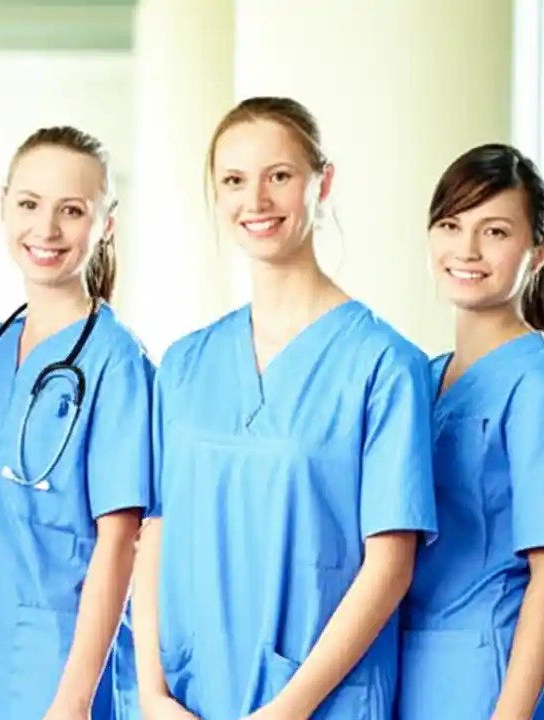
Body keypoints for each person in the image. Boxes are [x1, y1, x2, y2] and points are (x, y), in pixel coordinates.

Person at [129, 96, 437, 720]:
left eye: (279, 176)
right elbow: (156, 532)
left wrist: (286, 711)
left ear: (323, 182)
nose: (256, 200)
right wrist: (152, 693)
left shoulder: (383, 364)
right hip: (186, 699)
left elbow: (390, 564)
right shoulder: (185, 364)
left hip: (318, 703)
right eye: (234, 180)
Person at [0, 127, 151, 720]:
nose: (47, 229)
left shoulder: (116, 361)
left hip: (58, 670)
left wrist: (73, 701)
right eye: (30, 204)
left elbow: (120, 540)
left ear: (106, 224)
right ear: (4, 205)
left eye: (72, 211)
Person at [396, 144, 544, 720]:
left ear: (539, 251)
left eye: (495, 232)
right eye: (451, 225)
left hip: (486, 677)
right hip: (403, 670)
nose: (467, 249)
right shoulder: (421, 379)